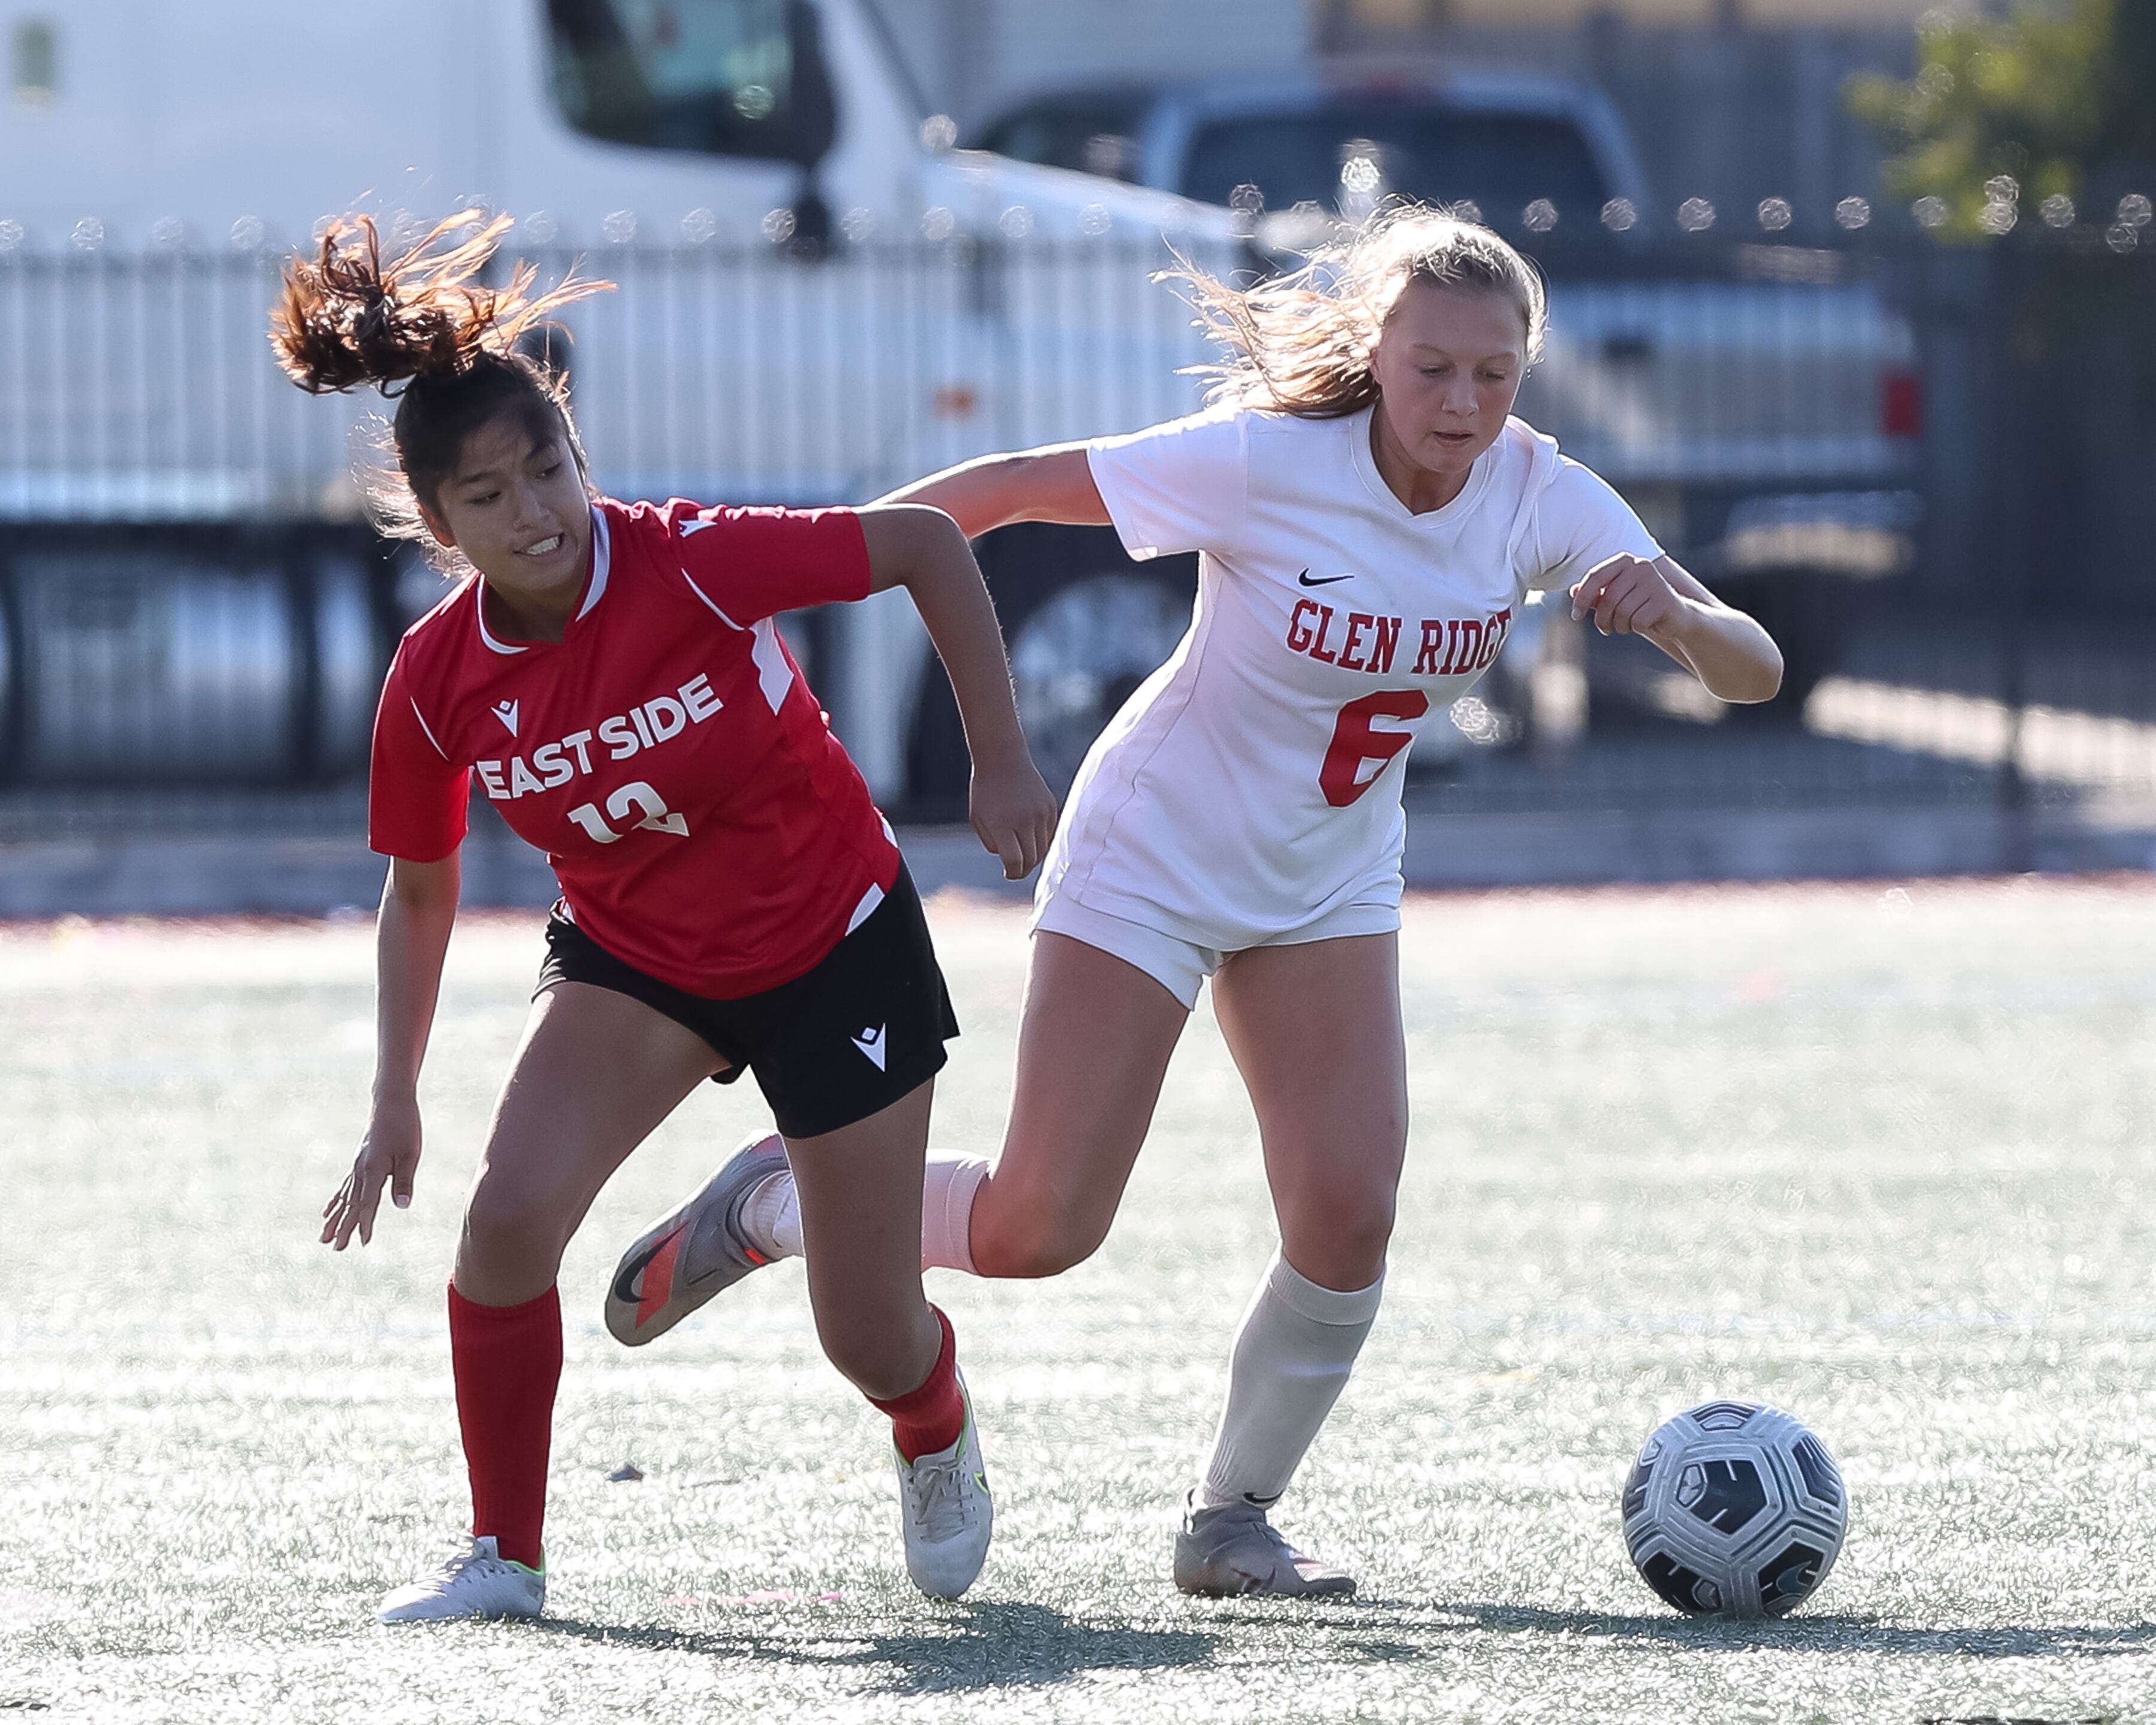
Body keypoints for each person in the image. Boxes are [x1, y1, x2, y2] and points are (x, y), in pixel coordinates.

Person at [607, 206, 1784, 1597]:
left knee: (1349, 1211)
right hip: (1152, 852)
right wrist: (797, 574)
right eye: (1431, 369)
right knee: (1045, 1228)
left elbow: (1752, 671)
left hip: (1329, 880)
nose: (1463, 403)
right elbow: (996, 492)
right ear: (1373, 353)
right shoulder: (1265, 464)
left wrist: (1681, 617)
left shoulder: (1546, 494)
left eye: (1494, 373)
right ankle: (776, 1202)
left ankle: (1230, 1521)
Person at [278, 210, 1057, 1621]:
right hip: (642, 961)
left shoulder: (691, 558)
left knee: (867, 1334)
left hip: (838, 944)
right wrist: (393, 1096)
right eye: (492, 495)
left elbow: (931, 546)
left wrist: (997, 754)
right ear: (441, 528)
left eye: (551, 468)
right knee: (504, 1228)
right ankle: (504, 1558)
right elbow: (421, 883)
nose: (538, 511)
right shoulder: (435, 680)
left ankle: (931, 1420)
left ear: (582, 457)